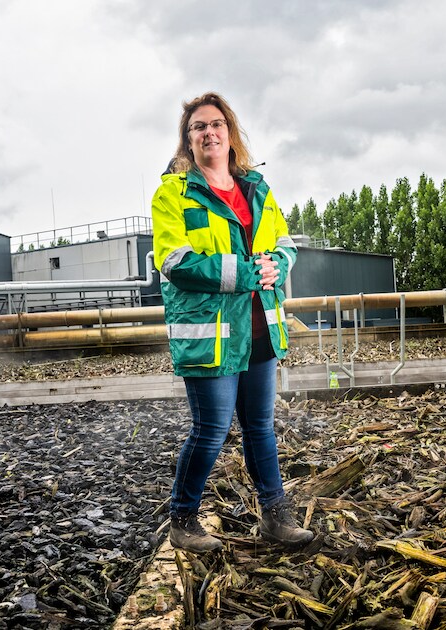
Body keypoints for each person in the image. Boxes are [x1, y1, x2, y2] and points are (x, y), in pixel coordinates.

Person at [152, 92, 314, 552]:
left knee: (260, 426)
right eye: (198, 126)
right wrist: (247, 273)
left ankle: (275, 517)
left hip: (260, 324)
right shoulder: (174, 193)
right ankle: (182, 521)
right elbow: (176, 260)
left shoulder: (256, 189)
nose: (209, 132)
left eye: (216, 124)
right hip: (212, 333)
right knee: (212, 429)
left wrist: (278, 265)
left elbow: (284, 241)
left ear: (230, 132)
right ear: (188, 139)